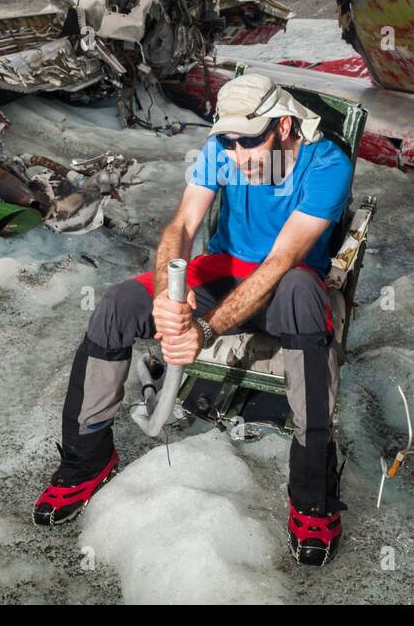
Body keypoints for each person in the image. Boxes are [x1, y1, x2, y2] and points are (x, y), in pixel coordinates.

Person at [33, 73, 354, 565]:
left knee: (300, 295)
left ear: (284, 126)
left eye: (249, 140)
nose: (238, 154)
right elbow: (181, 226)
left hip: (287, 283)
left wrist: (203, 331)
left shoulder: (327, 163)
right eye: (228, 140)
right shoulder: (222, 152)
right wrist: (168, 300)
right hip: (223, 271)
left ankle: (313, 495)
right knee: (118, 303)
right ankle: (86, 461)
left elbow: (281, 261)